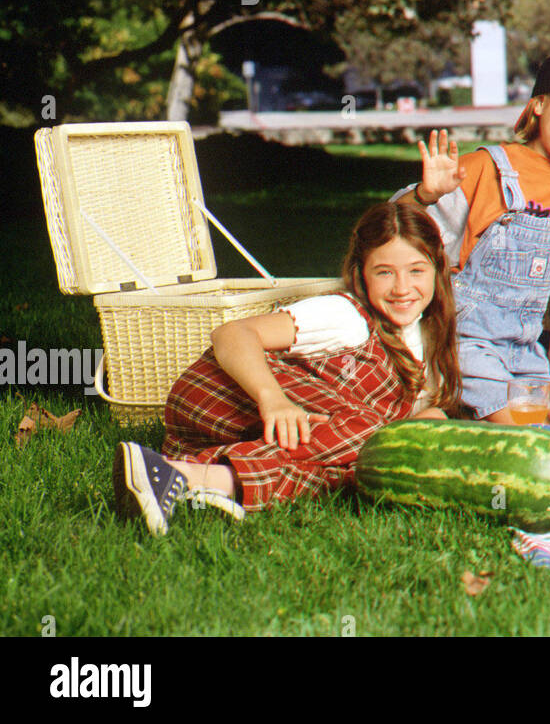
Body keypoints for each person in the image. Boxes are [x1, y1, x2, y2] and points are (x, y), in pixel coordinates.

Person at [112, 201, 462, 536]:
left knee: (359, 476)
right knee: (374, 436)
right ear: (361, 273)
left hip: (269, 438)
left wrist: (431, 425)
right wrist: (273, 399)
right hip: (221, 390)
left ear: (438, 268)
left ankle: (187, 477)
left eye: (416, 270)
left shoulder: (432, 343)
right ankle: (195, 478)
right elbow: (231, 333)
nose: (402, 288)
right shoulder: (345, 317)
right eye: (384, 272)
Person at [399, 48, 550, 425]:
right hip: (466, 344)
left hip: (526, 347)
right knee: (529, 431)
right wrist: (425, 195)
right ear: (538, 105)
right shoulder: (484, 169)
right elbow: (391, 231)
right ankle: (452, 416)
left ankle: (458, 420)